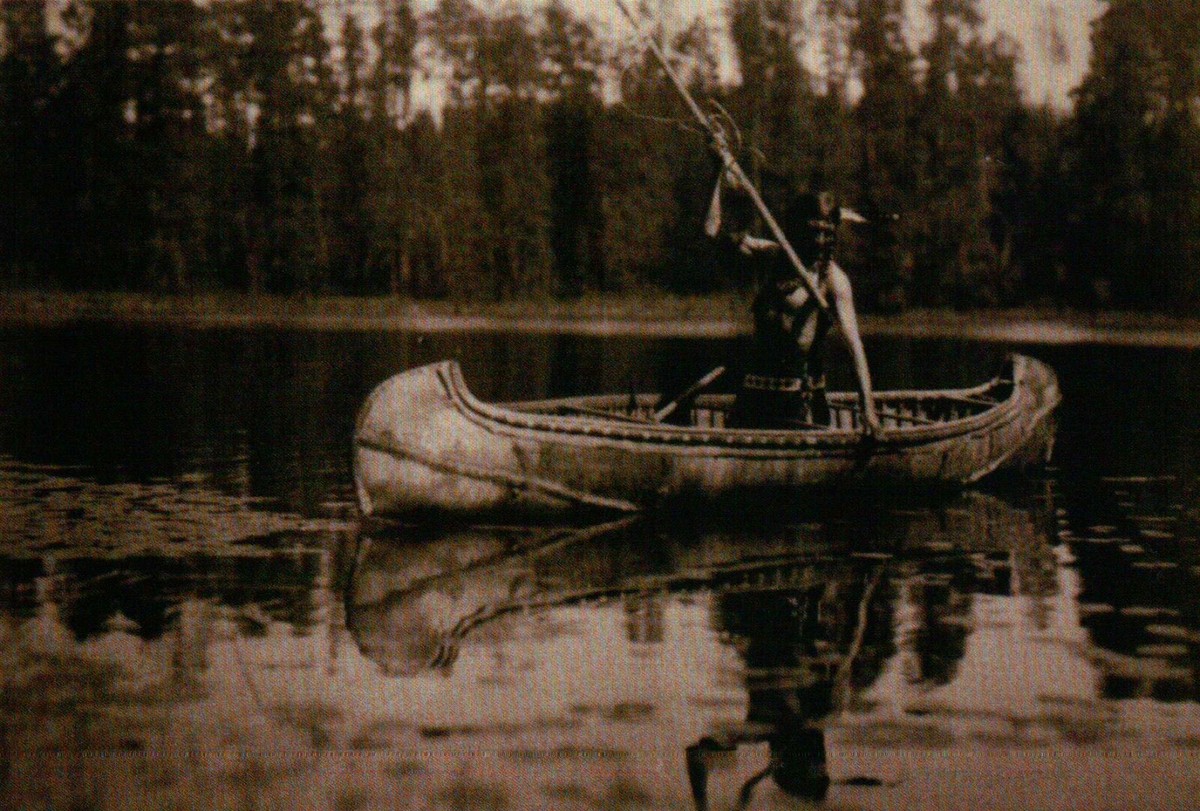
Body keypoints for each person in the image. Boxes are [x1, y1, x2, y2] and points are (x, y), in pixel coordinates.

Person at [705, 142, 881, 436]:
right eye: (814, 232)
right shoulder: (771, 256)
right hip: (752, 400)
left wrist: (869, 412)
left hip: (801, 407)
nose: (820, 242)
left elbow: (856, 351)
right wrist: (717, 172)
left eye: (827, 233)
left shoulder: (832, 281)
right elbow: (711, 231)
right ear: (797, 230)